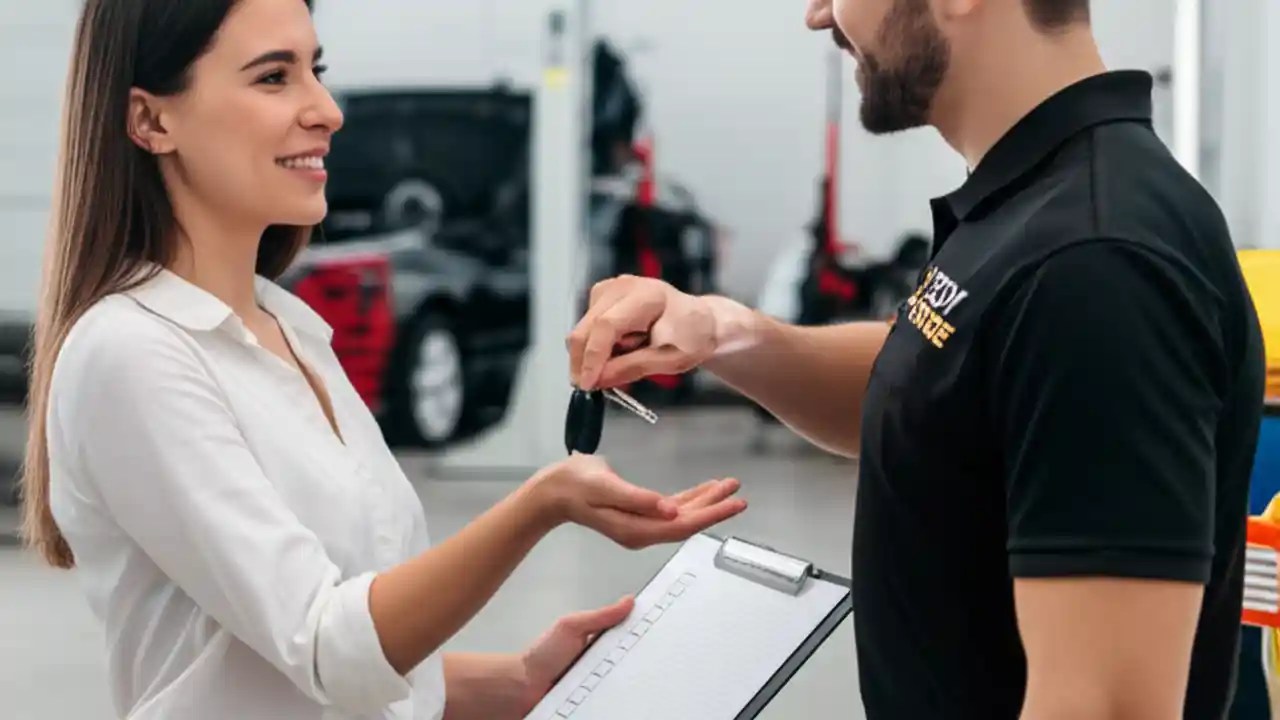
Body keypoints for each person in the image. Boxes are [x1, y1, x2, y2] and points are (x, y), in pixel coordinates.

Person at [18, 2, 747, 719]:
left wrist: (518, 680)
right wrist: (541, 505)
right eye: (274, 77)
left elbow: (301, 665)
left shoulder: (287, 327)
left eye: (316, 70)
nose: (327, 110)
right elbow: (326, 649)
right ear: (151, 121)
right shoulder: (133, 353)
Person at [569, 0, 1266, 717]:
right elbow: (951, 381)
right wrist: (723, 331)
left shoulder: (1094, 263)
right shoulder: (1036, 209)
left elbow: (1108, 708)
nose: (819, 15)